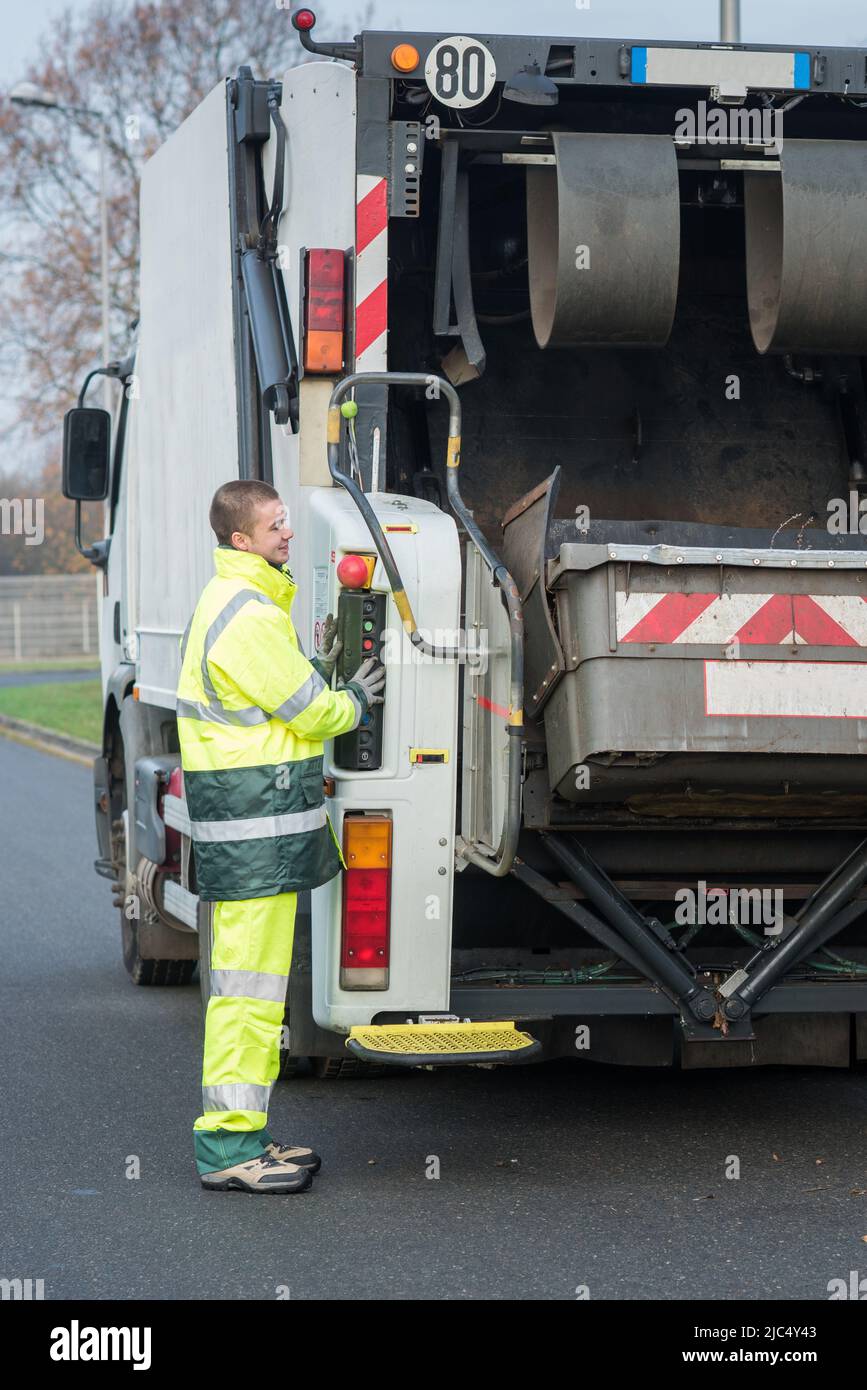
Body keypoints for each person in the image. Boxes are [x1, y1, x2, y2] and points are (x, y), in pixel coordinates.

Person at [176, 479, 385, 1193]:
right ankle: (228, 1152)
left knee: (252, 990)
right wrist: (355, 698)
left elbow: (277, 701)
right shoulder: (248, 615)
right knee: (246, 992)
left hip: (249, 827)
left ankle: (245, 1140)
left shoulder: (241, 602)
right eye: (273, 527)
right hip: (253, 833)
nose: (287, 534)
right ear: (240, 540)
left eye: (285, 522)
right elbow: (311, 712)